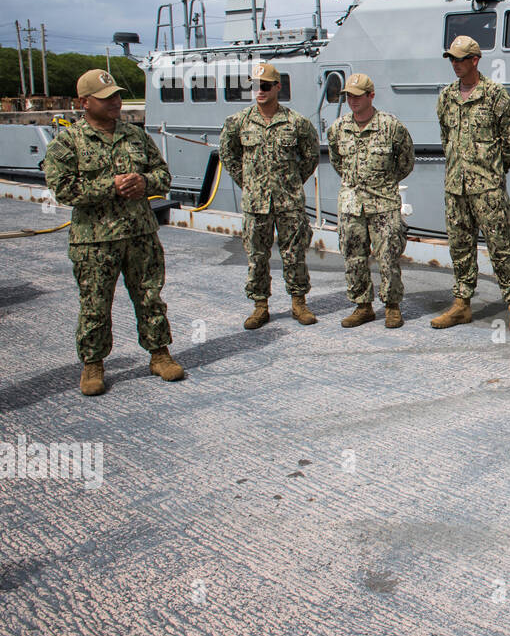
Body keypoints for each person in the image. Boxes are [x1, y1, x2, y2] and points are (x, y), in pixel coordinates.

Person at [42, 69, 184, 395]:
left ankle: (159, 354)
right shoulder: (68, 142)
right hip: (94, 239)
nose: (116, 103)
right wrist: (111, 186)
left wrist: (145, 182)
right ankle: (93, 364)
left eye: (118, 96)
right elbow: (62, 189)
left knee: (149, 297)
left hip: (140, 234)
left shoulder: (135, 136)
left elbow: (162, 173)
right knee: (95, 303)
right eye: (107, 99)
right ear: (85, 102)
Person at [430, 35, 510, 333]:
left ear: (475, 60)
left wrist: (491, 172)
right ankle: (461, 305)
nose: (455, 64)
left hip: (487, 190)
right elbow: (446, 138)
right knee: (460, 248)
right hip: (454, 188)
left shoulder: (495, 95)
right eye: (452, 59)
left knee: (500, 248)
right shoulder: (446, 96)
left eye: (460, 59)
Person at [217, 61, 321, 329]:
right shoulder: (237, 122)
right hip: (255, 203)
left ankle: (299, 303)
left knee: (294, 254)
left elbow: (310, 156)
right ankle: (260, 306)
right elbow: (228, 155)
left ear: (277, 87)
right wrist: (249, 182)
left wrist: (293, 182)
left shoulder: (297, 122)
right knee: (257, 256)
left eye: (265, 86)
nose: (259, 91)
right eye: (255, 86)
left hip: (289, 202)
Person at [326, 73, 415, 328]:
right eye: (348, 96)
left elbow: (406, 161)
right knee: (354, 256)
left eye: (357, 96)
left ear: (370, 96)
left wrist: (384, 183)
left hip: (383, 203)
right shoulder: (338, 128)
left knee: (388, 256)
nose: (352, 101)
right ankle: (362, 306)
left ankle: (392, 307)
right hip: (351, 204)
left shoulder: (391, 126)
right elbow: (337, 161)